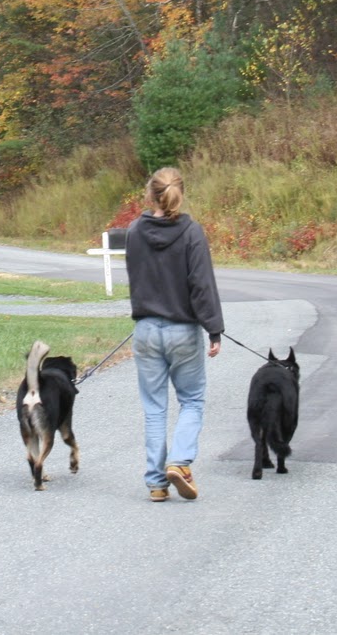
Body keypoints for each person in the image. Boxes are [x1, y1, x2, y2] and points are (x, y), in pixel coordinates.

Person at [111, 166, 224, 502]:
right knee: (191, 400)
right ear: (181, 194)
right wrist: (214, 329)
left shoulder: (134, 231)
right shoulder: (191, 232)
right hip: (182, 331)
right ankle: (180, 462)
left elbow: (138, 277)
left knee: (154, 408)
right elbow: (201, 285)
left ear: (150, 194)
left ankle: (157, 483)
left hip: (146, 330)